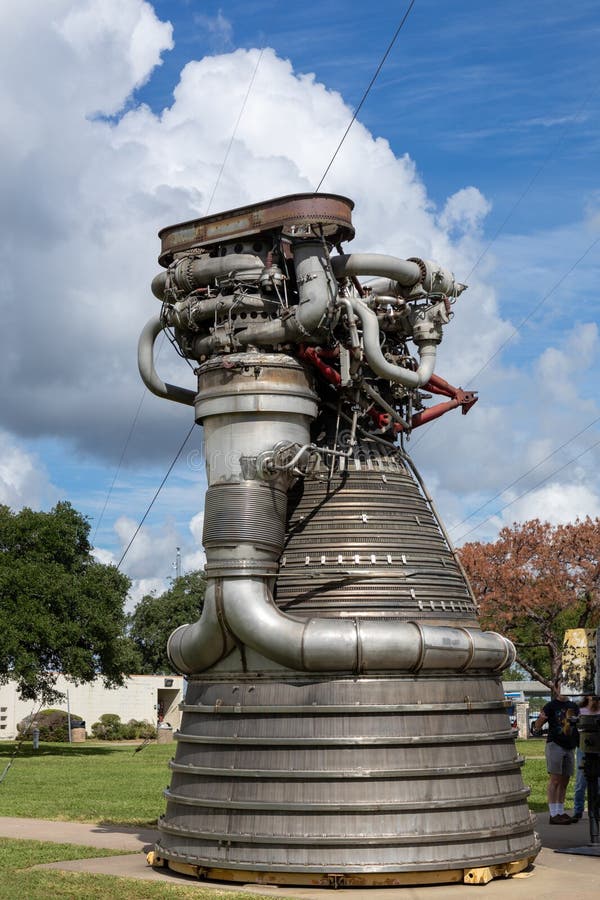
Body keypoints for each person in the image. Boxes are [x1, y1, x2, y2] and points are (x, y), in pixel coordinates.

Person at [532, 688, 579, 824]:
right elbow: (537, 727)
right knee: (555, 780)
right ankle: (553, 814)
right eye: (560, 686)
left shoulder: (574, 706)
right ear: (556, 688)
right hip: (555, 745)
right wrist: (541, 720)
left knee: (565, 780)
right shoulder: (550, 706)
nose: (563, 689)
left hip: (570, 746)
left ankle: (560, 811)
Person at [572, 694, 600, 821]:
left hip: (598, 746)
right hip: (583, 747)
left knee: (598, 781)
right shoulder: (580, 710)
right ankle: (578, 810)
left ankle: (596, 809)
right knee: (581, 780)